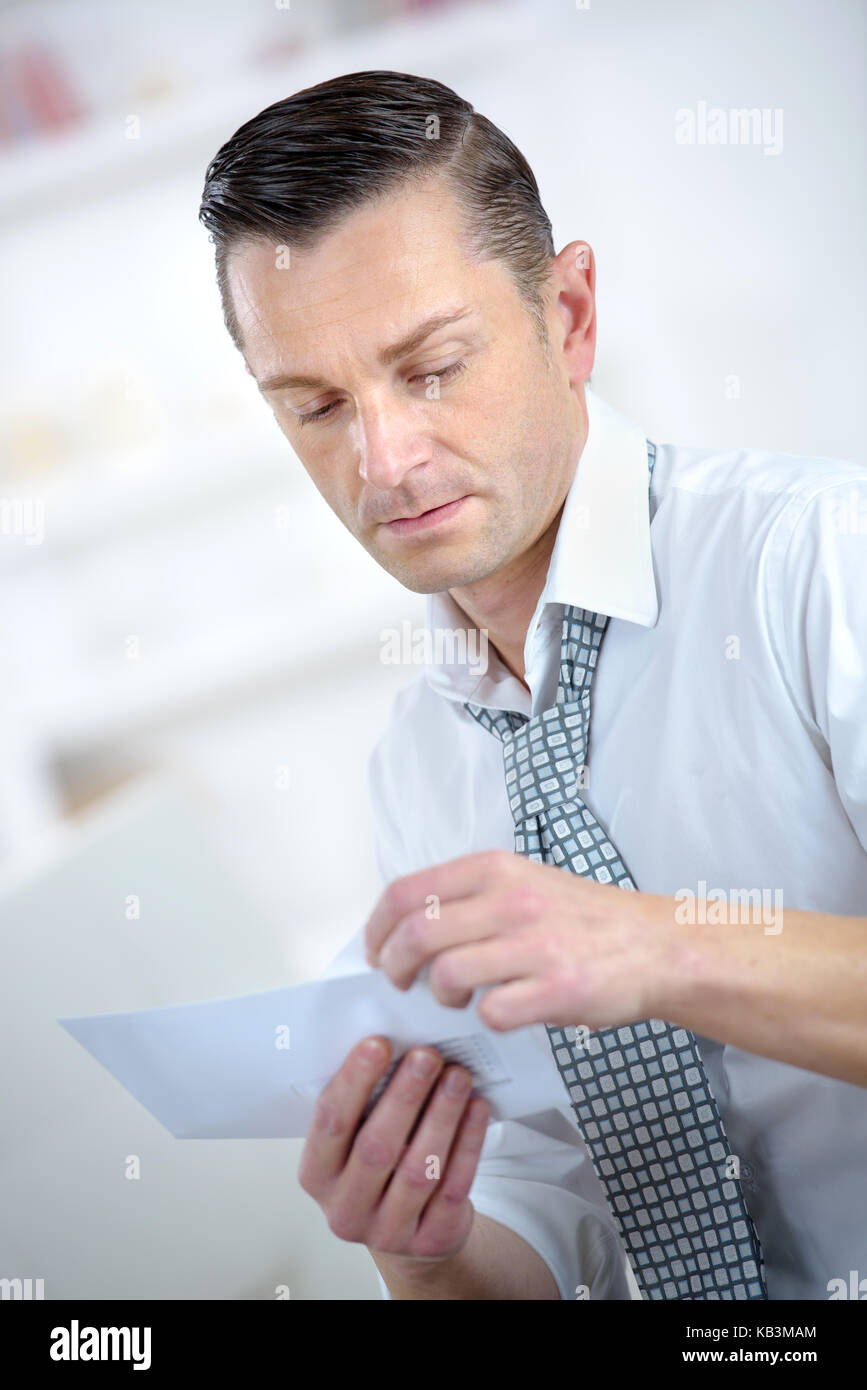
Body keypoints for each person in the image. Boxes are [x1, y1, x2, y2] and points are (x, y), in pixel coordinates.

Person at [198, 70, 867, 1301]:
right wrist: (422, 1244)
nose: (384, 460)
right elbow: (552, 1226)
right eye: (317, 406)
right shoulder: (417, 765)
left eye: (433, 365)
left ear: (567, 314)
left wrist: (664, 948)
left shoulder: (818, 564)